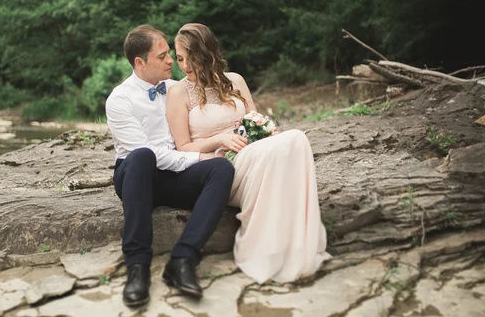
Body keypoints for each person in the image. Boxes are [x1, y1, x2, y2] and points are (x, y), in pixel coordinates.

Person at [166, 23, 331, 284]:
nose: (184, 66)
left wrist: (266, 132)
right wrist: (218, 138)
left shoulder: (236, 81)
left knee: (296, 139)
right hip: (220, 165)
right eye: (180, 58)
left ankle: (298, 244)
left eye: (191, 57)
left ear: (207, 53)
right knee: (289, 144)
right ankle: (263, 251)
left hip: (252, 152)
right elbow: (183, 147)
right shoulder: (177, 92)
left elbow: (253, 119)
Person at [105, 25, 235, 307]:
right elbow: (149, 153)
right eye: (163, 56)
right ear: (140, 63)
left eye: (169, 55)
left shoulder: (177, 88)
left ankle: (183, 261)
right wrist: (200, 158)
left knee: (222, 169)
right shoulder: (119, 99)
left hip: (173, 176)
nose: (170, 62)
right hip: (135, 176)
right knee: (142, 156)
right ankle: (137, 267)